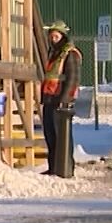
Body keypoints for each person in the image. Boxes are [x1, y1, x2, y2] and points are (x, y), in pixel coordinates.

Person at [40, 22, 82, 176]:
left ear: (63, 36)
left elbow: (72, 79)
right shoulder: (54, 54)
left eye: (56, 36)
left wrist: (65, 99)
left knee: (62, 137)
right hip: (50, 99)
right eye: (51, 36)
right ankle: (53, 168)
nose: (53, 39)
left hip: (60, 101)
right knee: (50, 136)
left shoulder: (70, 54)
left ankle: (65, 169)